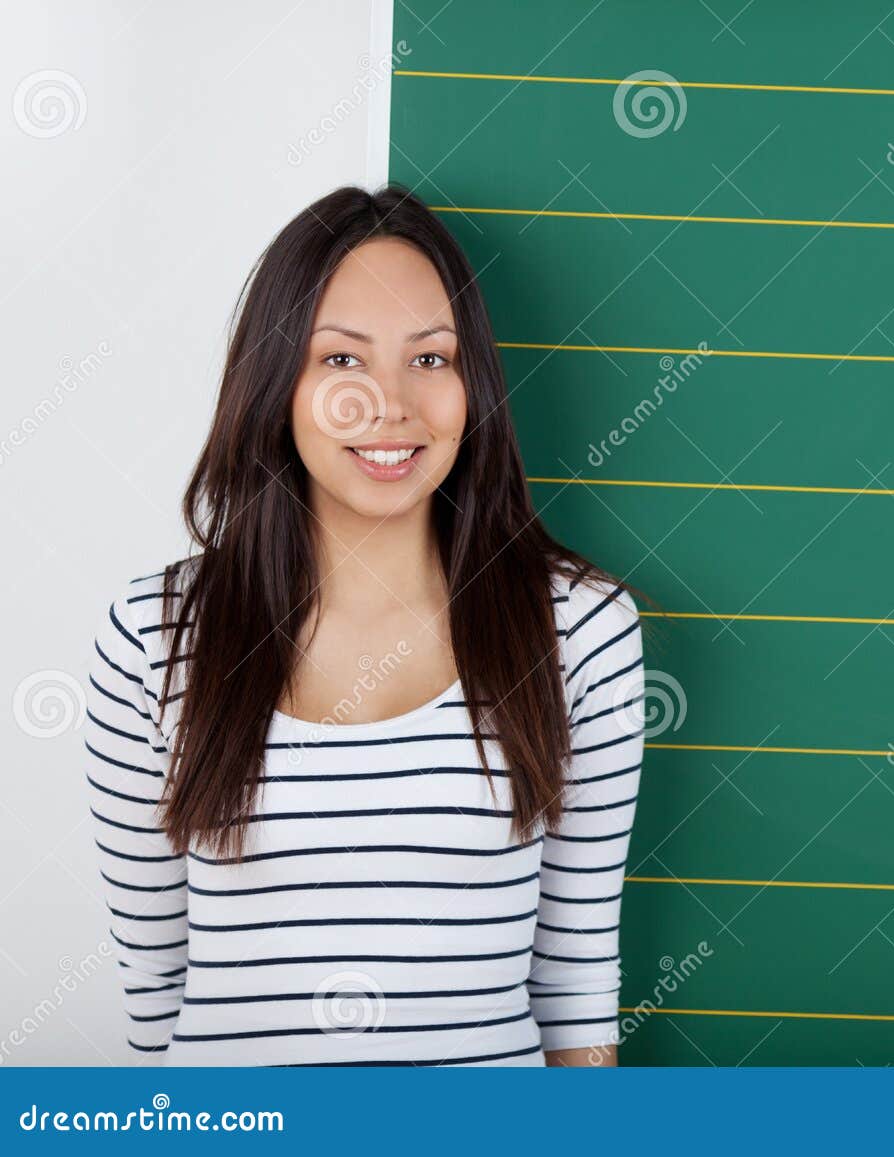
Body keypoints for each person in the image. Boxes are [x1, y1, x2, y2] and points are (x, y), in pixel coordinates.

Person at [83, 185, 643, 1066]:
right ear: (277, 382)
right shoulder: (153, 635)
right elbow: (156, 994)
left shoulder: (582, 628)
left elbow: (575, 989)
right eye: (342, 361)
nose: (390, 404)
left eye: (430, 360)